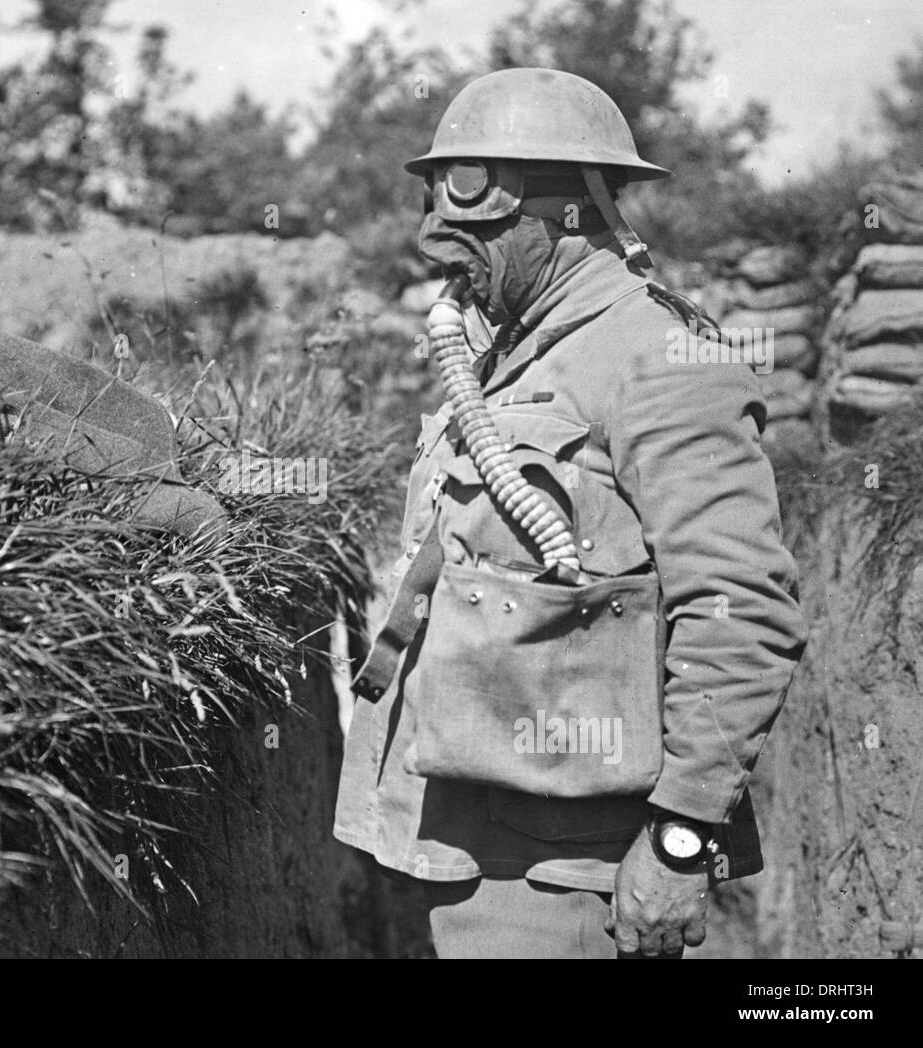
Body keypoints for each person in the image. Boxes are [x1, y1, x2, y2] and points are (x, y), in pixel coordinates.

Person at [333, 68, 808, 959]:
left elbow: (741, 612)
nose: (439, 245)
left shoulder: (662, 360)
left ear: (563, 215)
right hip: (465, 841)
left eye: (473, 222)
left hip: (572, 874)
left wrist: (678, 843)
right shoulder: (514, 350)